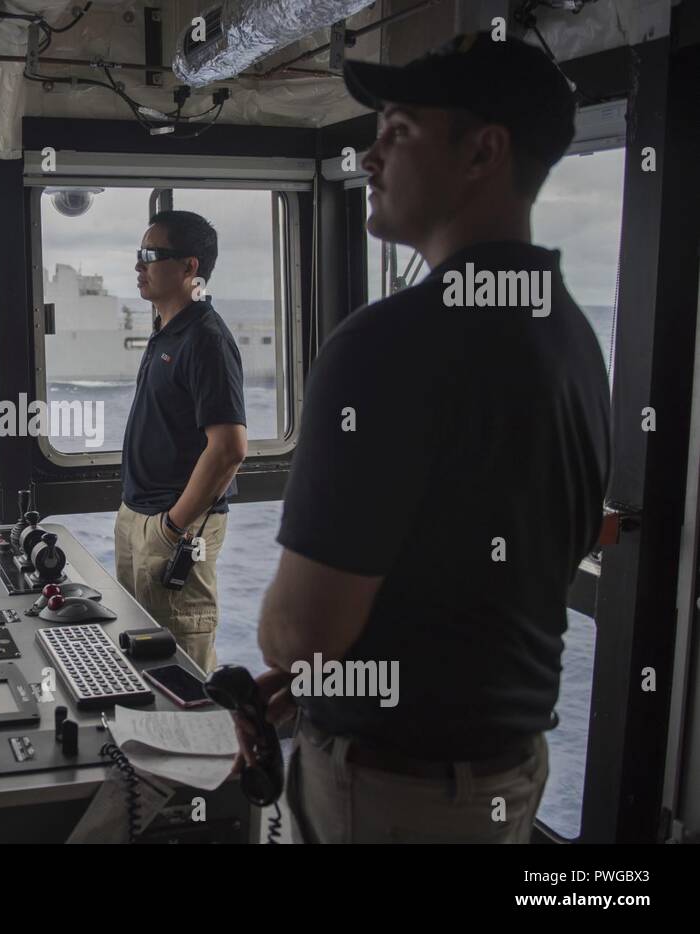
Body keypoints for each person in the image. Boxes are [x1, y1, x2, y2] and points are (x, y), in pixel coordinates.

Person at [243, 33, 612, 843]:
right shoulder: (571, 336)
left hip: (392, 802)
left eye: (399, 131)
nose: (368, 155)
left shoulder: (385, 345)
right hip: (505, 778)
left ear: (484, 151)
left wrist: (298, 652)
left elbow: (300, 633)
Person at [114, 210, 248, 671]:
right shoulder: (167, 332)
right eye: (139, 255)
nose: (139, 266)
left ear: (190, 268)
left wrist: (173, 527)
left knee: (181, 668)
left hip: (174, 528)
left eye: (150, 256)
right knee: (138, 659)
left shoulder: (205, 339)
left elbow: (229, 448)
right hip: (139, 519)